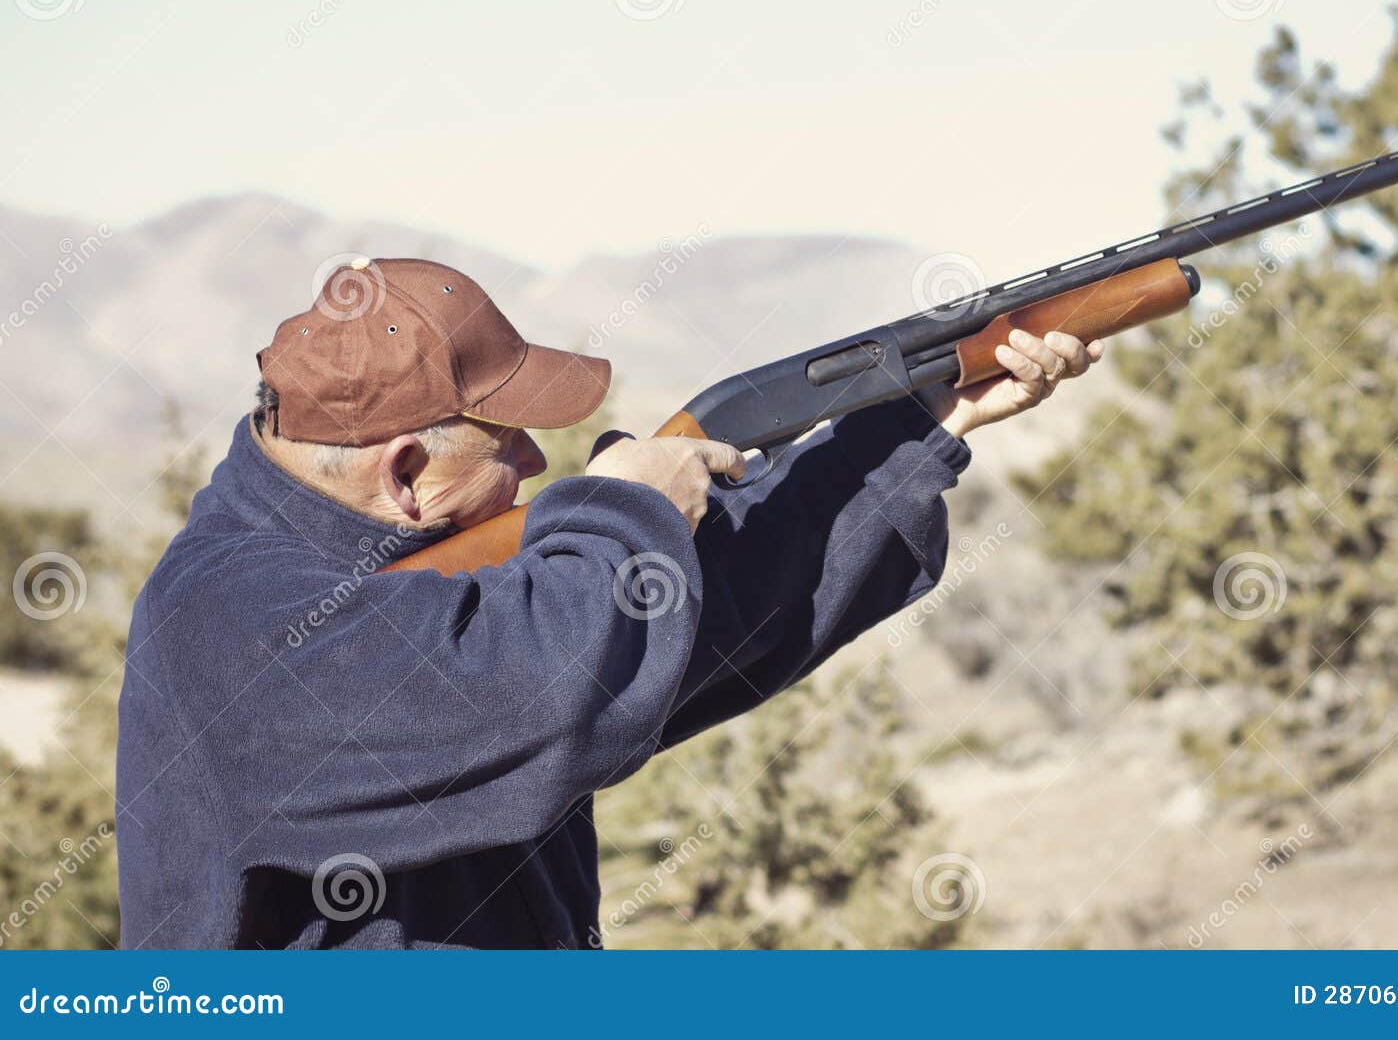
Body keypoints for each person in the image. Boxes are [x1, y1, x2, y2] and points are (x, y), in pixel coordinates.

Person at [116, 256, 1102, 948]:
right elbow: (533, 689)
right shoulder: (230, 622)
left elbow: (703, 625)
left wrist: (920, 422)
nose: (536, 461)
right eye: (505, 441)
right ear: (408, 470)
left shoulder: (423, 566)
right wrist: (621, 513)